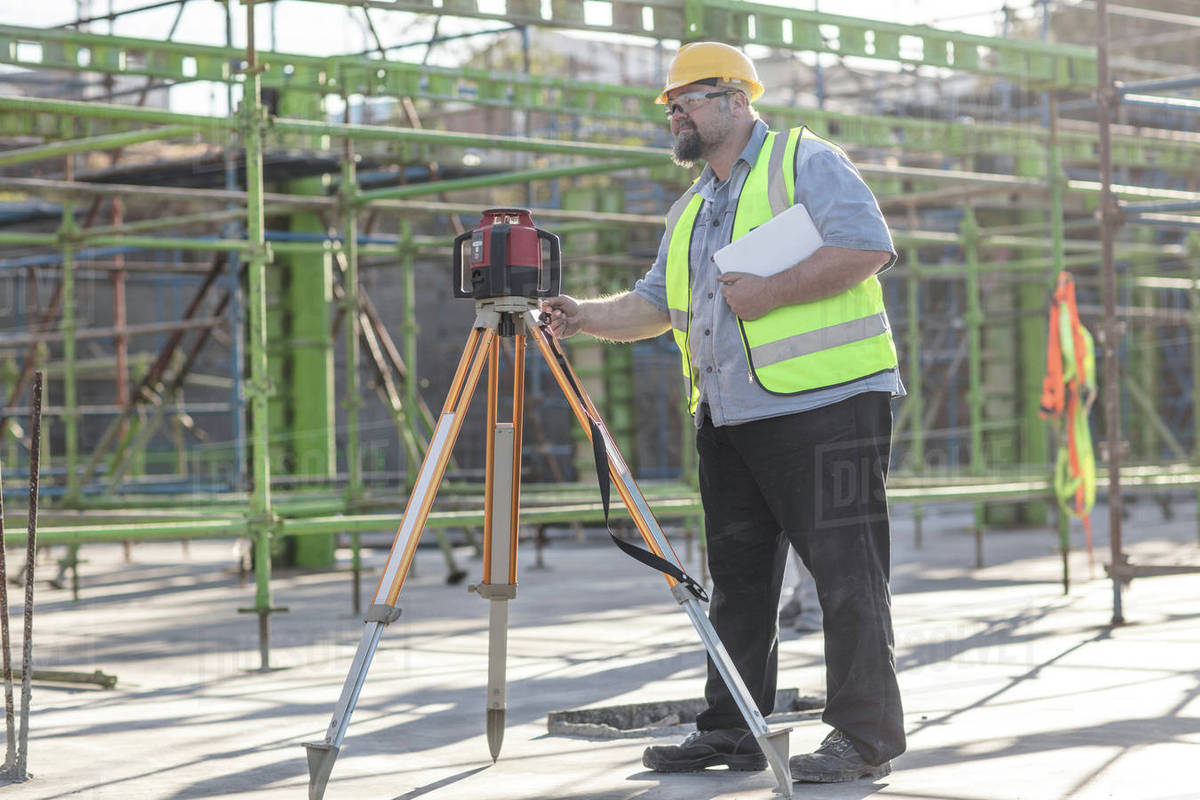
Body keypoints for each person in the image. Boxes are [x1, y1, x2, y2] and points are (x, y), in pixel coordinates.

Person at [541, 41, 905, 784]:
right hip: (731, 421)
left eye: (689, 99)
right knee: (737, 586)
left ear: (737, 100)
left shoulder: (804, 161)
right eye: (671, 104)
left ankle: (863, 739)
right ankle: (733, 730)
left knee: (846, 576)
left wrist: (772, 292)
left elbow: (867, 247)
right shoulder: (692, 208)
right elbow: (650, 306)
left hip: (828, 408)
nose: (675, 111)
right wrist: (580, 314)